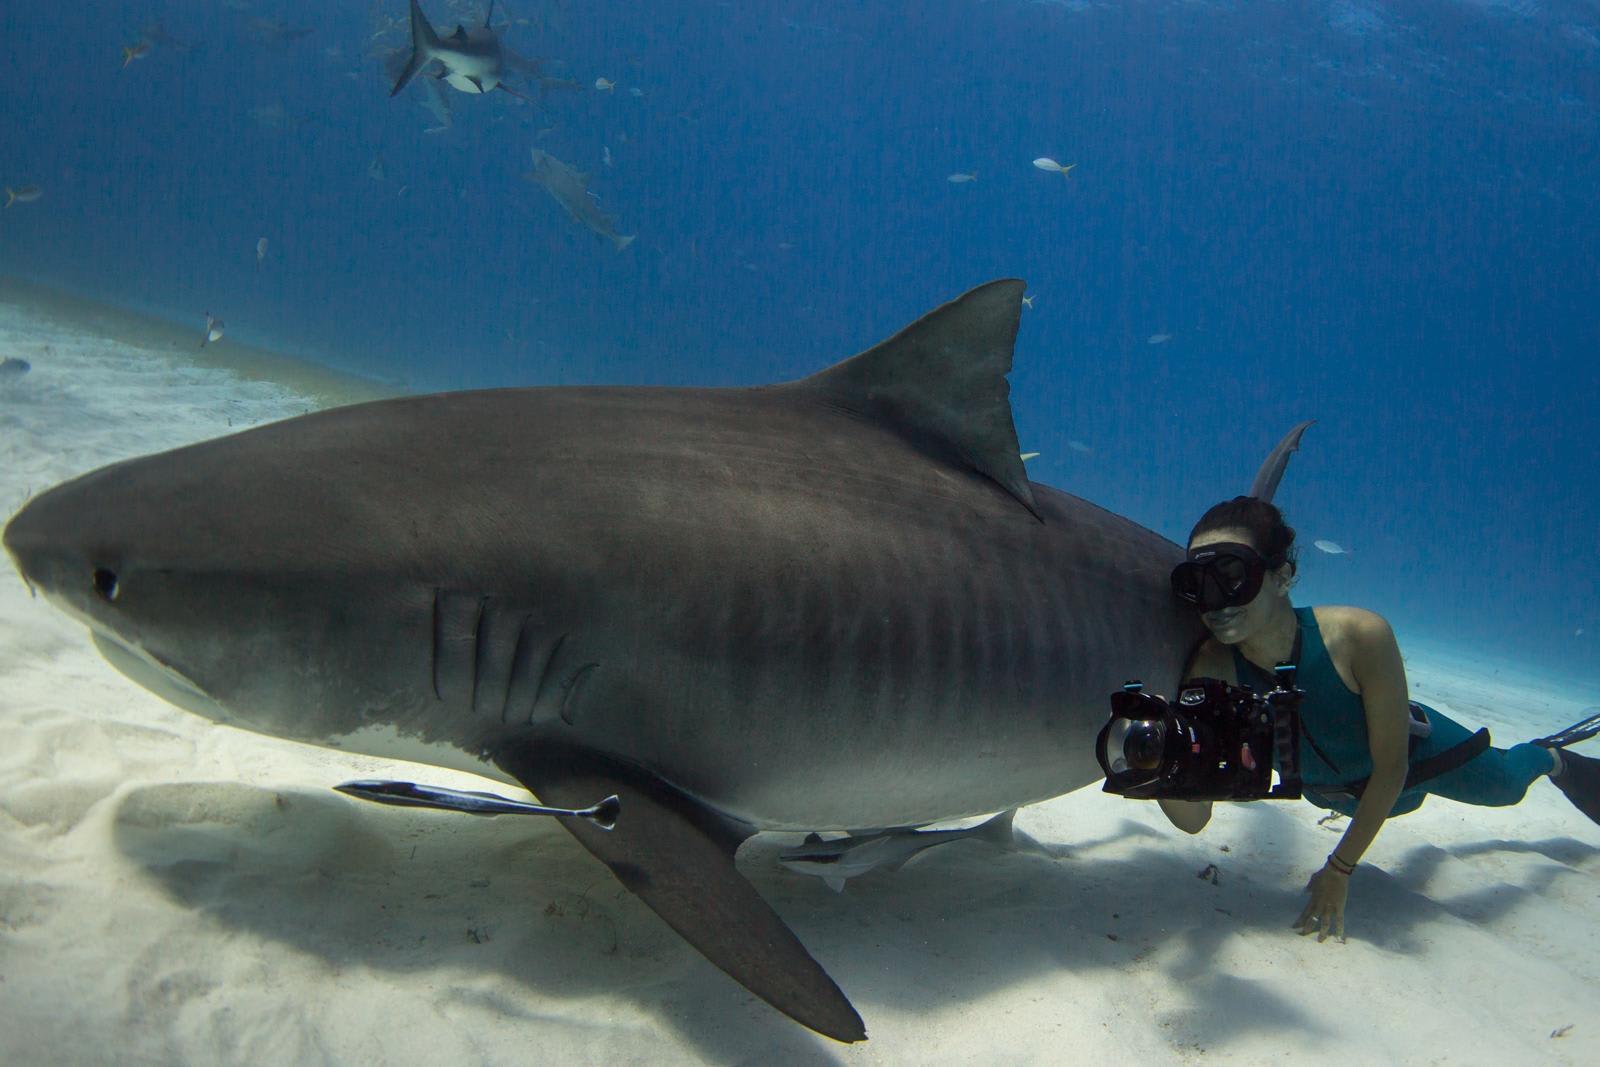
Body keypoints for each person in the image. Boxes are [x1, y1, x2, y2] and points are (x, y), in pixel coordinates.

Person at [1156, 495, 1600, 942]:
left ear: (1283, 577)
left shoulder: (1358, 635)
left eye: (1233, 578)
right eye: (1199, 585)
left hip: (1417, 761)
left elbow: (1392, 769)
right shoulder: (1211, 668)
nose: (1216, 604)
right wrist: (1160, 767)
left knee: (1506, 787)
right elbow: (1194, 821)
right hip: (1333, 795)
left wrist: (1339, 869)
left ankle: (1548, 757)